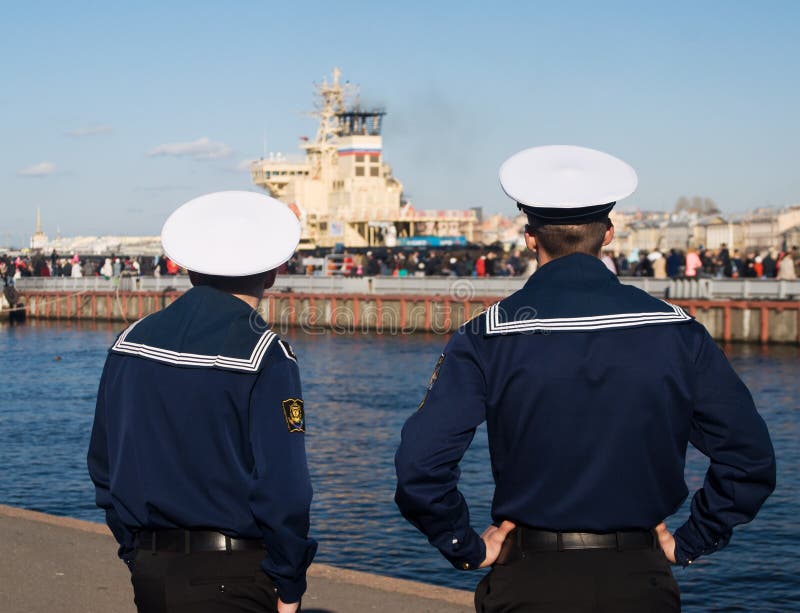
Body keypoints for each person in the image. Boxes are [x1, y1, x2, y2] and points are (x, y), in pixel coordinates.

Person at [394, 145, 775, 613]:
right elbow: (749, 460)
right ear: (608, 234)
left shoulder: (487, 334)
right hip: (640, 579)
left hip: (528, 578)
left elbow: (420, 467)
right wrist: (693, 539)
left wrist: (464, 544)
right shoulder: (676, 331)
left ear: (531, 237)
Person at [88, 191, 316, 613]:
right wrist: (289, 582)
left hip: (152, 569)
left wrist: (134, 549)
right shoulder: (265, 355)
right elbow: (285, 489)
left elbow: (104, 464)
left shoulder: (128, 342)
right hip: (235, 573)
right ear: (272, 273)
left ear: (189, 269)